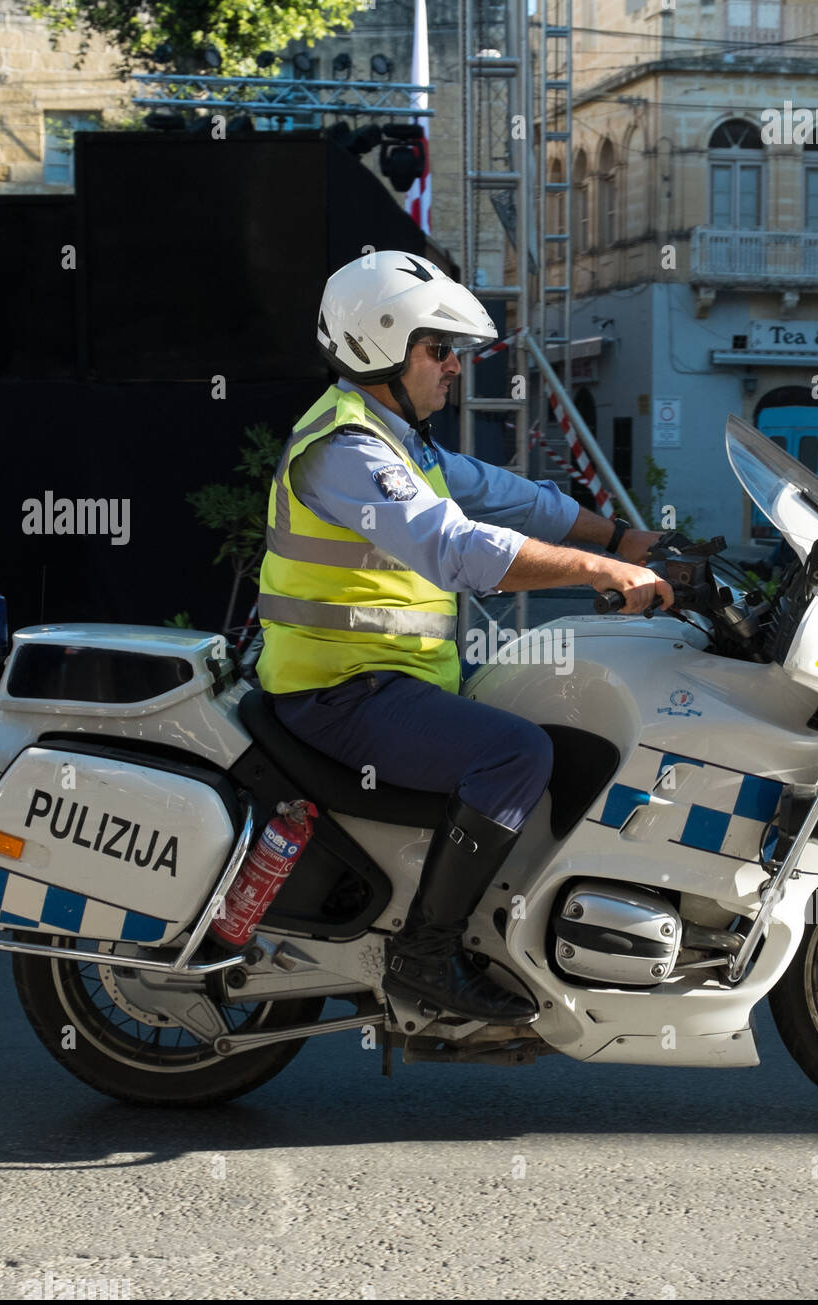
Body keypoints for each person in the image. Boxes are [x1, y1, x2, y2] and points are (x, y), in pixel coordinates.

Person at [256, 250, 674, 1025]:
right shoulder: (348, 452)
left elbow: (513, 497)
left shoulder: (402, 444)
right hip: (339, 693)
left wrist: (624, 537)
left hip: (383, 683)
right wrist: (600, 570)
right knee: (515, 752)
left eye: (453, 353)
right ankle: (424, 957)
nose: (453, 368)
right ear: (379, 346)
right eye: (437, 350)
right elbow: (455, 549)